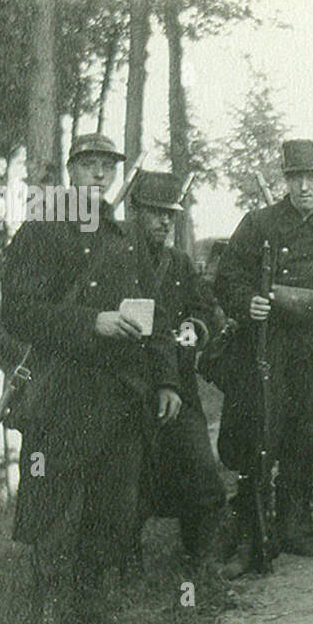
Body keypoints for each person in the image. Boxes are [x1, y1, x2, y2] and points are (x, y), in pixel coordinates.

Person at [2, 133, 181, 624]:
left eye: (108, 166)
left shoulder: (125, 239)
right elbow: (16, 313)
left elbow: (156, 315)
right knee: (51, 507)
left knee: (113, 507)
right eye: (89, 165)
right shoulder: (41, 232)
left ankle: (89, 609)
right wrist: (91, 323)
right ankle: (44, 619)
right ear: (70, 171)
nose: (100, 174)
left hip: (120, 394)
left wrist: (167, 380)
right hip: (61, 395)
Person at [213, 139, 313, 575]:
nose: (304, 187)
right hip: (263, 350)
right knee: (257, 436)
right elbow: (226, 278)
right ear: (286, 181)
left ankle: (294, 519)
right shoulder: (259, 224)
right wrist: (247, 303)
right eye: (295, 178)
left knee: (311, 435)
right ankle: (250, 529)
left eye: (312, 178)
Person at [128, 170, 227, 574]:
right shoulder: (118, 257)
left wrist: (194, 330)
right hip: (131, 384)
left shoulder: (180, 263)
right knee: (130, 482)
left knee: (201, 470)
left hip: (179, 386)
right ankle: (125, 561)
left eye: (170, 214)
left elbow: (204, 310)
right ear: (136, 212)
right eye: (154, 213)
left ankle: (200, 557)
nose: (163, 222)